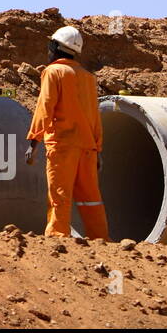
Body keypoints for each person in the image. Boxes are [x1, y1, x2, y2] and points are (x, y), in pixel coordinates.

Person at [24, 25, 109, 240]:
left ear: (55, 47)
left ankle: (57, 236)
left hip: (63, 144)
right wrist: (97, 149)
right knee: (91, 197)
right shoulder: (88, 78)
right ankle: (101, 238)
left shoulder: (53, 72)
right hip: (87, 147)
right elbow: (94, 116)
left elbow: (45, 106)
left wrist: (34, 141)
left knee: (59, 194)